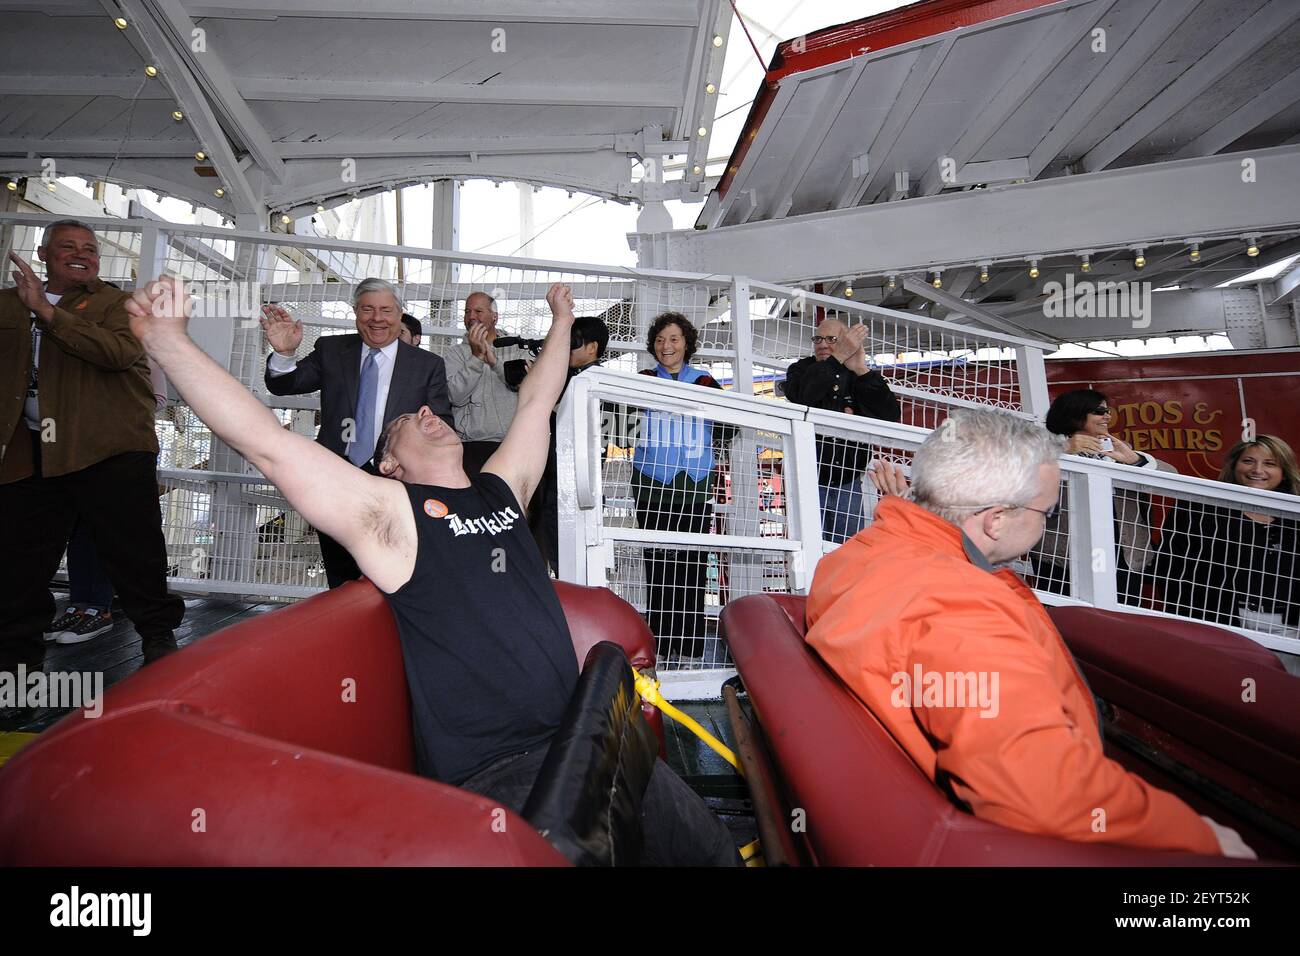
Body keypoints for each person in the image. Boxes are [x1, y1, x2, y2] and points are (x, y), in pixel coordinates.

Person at [127, 275, 739, 867]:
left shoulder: (503, 491)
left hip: (591, 735)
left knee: (711, 851)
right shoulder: (389, 517)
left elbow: (537, 399)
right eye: (404, 423)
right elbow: (267, 443)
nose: (426, 414)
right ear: (389, 464)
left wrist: (558, 323)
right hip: (501, 772)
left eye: (426, 408)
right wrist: (168, 342)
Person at [805, 409, 1253, 858]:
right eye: (1047, 510)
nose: (1045, 522)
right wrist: (1202, 839)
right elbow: (1043, 794)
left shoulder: (858, 554)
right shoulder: (963, 606)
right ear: (996, 519)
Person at [1, 222, 184, 726]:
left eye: (90, 249)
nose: (82, 256)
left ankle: (161, 649)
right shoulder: (5, 305)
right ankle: (16, 682)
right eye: (69, 247)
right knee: (18, 574)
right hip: (29, 454)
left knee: (136, 556)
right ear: (43, 254)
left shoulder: (117, 305)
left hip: (110, 449)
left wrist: (47, 311)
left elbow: (118, 353)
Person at [261, 278, 452, 588]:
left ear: (400, 313)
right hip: (335, 481)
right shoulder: (332, 349)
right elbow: (285, 385)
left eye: (386, 310)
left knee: (395, 575)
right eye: (368, 309)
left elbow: (442, 422)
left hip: (397, 486)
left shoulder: (427, 365)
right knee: (342, 577)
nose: (377, 319)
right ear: (355, 312)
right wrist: (284, 354)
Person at [46, 359, 170, 645]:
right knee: (79, 530)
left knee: (111, 533)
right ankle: (80, 605)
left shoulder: (137, 345)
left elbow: (157, 398)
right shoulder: (78, 343)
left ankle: (100, 609)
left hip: (120, 455)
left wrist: (108, 412)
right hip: (75, 452)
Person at [632, 313, 733, 662]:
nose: (666, 346)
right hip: (650, 485)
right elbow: (622, 420)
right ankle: (659, 644)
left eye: (673, 339)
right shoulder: (643, 380)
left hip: (693, 484)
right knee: (657, 566)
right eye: (660, 340)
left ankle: (689, 645)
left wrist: (709, 440)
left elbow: (730, 426)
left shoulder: (705, 381)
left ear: (686, 343)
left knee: (691, 565)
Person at [1032, 388, 1176, 601]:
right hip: (1062, 556)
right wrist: (1063, 451)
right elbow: (1018, 480)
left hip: (1123, 550)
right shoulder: (1043, 448)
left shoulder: (1119, 449)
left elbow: (1174, 479)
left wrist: (1135, 461)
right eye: (1100, 411)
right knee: (1067, 619)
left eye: (1108, 411)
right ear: (1075, 413)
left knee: (1123, 620)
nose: (1107, 416)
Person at [1155, 435, 1299, 638]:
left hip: (1290, 631)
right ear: (1234, 466)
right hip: (1216, 627)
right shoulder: (1199, 509)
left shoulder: (1296, 516)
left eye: (1270, 464)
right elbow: (1169, 567)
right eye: (1248, 461)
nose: (1257, 470)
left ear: (1283, 472)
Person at [781, 318, 900, 544]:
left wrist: (861, 369)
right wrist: (837, 359)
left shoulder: (857, 373)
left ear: (847, 341)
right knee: (809, 550)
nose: (822, 344)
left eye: (832, 339)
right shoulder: (800, 369)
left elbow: (889, 415)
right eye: (818, 339)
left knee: (846, 551)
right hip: (808, 479)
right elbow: (805, 395)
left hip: (848, 480)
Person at [526, 315, 608, 574]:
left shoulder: (599, 383)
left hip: (579, 484)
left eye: (573, 342)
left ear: (592, 347)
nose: (567, 348)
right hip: (552, 479)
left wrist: (545, 398)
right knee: (556, 554)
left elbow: (597, 430)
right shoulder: (565, 377)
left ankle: (576, 608)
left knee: (575, 560)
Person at [442, 291, 530, 479]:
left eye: (478, 311)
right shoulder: (454, 354)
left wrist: (495, 364)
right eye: (467, 312)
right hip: (470, 446)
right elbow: (454, 397)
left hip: (513, 444)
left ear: (494, 317)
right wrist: (476, 358)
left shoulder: (515, 348)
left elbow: (527, 388)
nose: (471, 316)